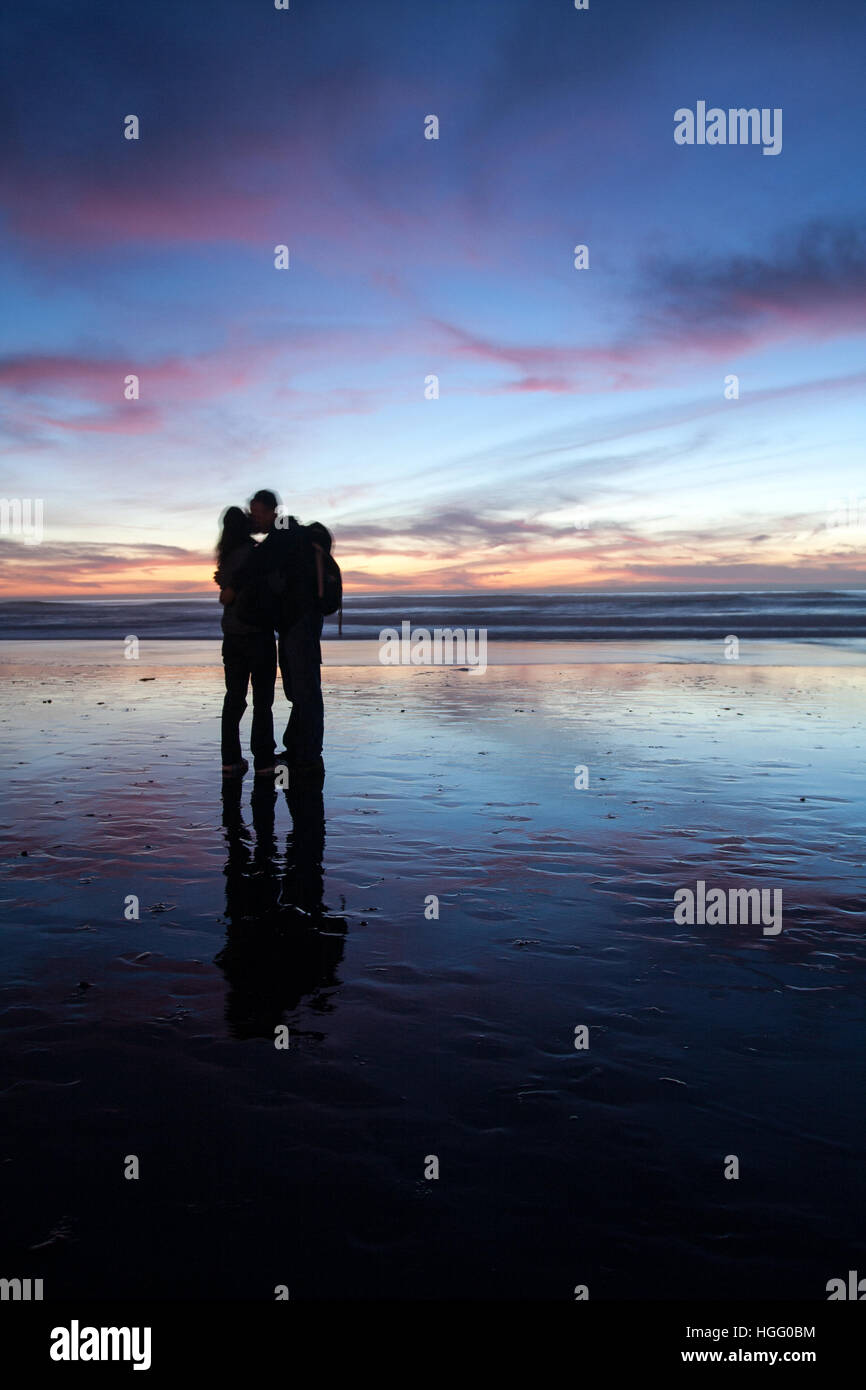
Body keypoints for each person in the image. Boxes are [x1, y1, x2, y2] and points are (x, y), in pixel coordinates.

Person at [231, 489, 324, 775]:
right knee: (299, 688)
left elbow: (258, 564)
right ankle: (300, 748)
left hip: (299, 622)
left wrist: (231, 582)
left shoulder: (283, 535)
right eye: (250, 512)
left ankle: (307, 755)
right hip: (296, 623)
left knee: (304, 688)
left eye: (256, 512)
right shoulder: (286, 533)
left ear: (273, 511)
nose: (252, 517)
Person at [214, 505, 277, 777]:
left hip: (232, 636)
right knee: (263, 700)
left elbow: (228, 593)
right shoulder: (255, 554)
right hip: (258, 633)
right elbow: (271, 588)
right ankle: (263, 761)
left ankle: (230, 760)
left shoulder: (225, 558)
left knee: (235, 698)